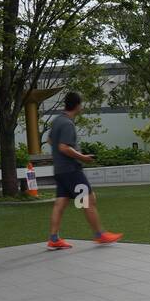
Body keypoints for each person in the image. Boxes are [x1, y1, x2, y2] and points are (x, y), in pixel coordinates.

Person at [46, 91, 122, 250]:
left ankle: (54, 238)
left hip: (59, 171)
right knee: (88, 199)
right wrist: (83, 157)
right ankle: (100, 235)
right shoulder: (67, 123)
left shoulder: (57, 121)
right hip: (71, 170)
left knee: (61, 203)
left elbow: (50, 140)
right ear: (78, 105)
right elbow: (63, 147)